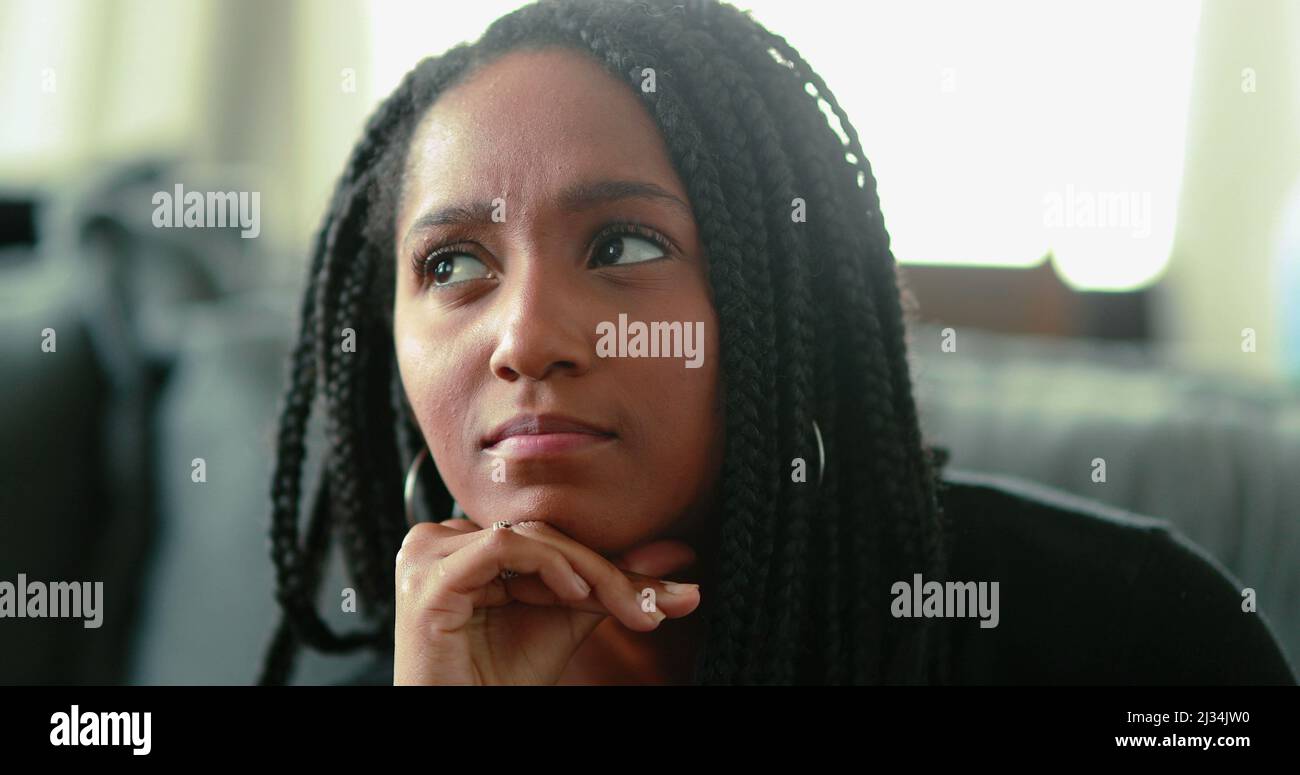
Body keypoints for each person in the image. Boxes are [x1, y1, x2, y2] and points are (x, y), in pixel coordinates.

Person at [258, 0, 1296, 685]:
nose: (525, 336)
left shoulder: (1134, 638)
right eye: (451, 265)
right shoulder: (411, 673)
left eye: (623, 241)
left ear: (778, 302)